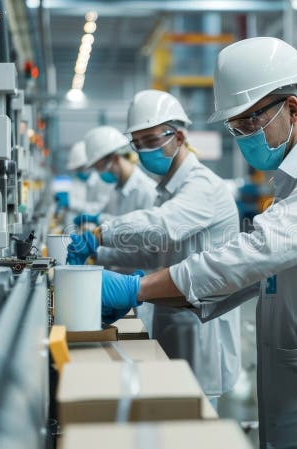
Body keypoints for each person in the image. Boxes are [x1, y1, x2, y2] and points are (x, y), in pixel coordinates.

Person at [96, 37, 297, 449]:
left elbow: (257, 252)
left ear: (292, 108)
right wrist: (151, 291)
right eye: (235, 128)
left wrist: (139, 288)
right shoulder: (291, 186)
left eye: (249, 124)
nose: (242, 138)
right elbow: (255, 276)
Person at [66, 89, 242, 408]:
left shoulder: (203, 186)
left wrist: (101, 235)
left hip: (201, 331)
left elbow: (161, 225)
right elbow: (153, 253)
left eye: (151, 141)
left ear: (179, 137)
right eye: (138, 143)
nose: (145, 151)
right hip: (173, 319)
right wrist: (99, 255)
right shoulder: (168, 190)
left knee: (195, 418)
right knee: (172, 411)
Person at [72, 126, 157, 227]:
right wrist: (98, 219)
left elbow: (147, 229)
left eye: (101, 168)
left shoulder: (146, 190)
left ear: (115, 158)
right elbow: (116, 219)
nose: (100, 174)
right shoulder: (117, 188)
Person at [65, 141, 115, 217]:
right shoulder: (80, 181)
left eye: (81, 168)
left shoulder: (103, 181)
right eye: (77, 169)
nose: (79, 172)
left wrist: (72, 203)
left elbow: (101, 207)